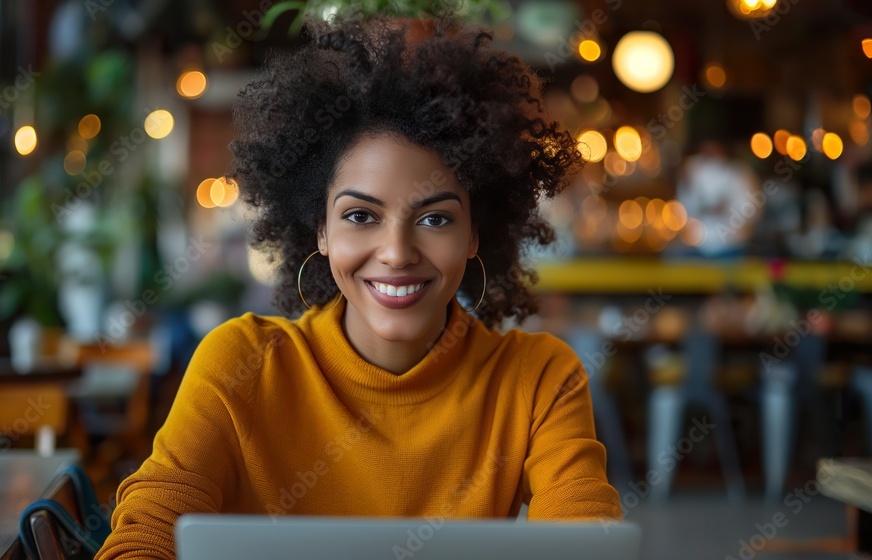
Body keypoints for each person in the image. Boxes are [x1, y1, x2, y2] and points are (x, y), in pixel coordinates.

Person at [94, 14, 621, 560]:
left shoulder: (539, 380)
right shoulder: (241, 366)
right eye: (361, 217)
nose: (396, 253)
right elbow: (144, 535)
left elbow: (586, 540)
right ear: (319, 230)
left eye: (435, 219)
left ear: (474, 233)